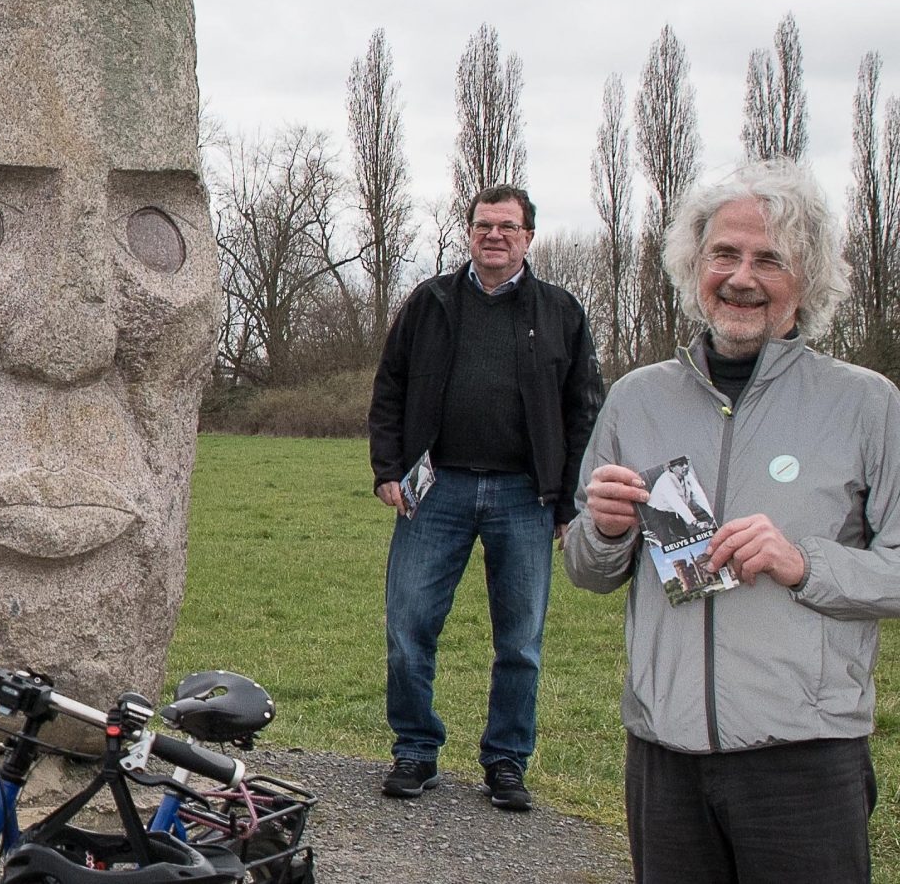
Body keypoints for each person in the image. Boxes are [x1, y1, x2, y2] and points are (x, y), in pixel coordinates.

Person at [573, 160, 899, 882]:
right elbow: (587, 570)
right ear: (696, 265)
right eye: (724, 253)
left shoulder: (868, 404)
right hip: (665, 757)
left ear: (806, 280)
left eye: (769, 259)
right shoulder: (636, 399)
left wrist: (803, 562)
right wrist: (605, 528)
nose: (741, 276)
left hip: (805, 759)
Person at [366, 184, 603, 810]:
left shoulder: (561, 312)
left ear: (528, 237)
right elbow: (389, 386)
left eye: (507, 227)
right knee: (408, 626)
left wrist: (569, 501)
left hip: (525, 496)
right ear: (467, 233)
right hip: (435, 488)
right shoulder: (431, 302)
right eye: (482, 226)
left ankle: (506, 762)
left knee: (519, 640)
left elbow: (584, 411)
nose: (493, 236)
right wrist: (388, 466)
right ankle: (415, 750)